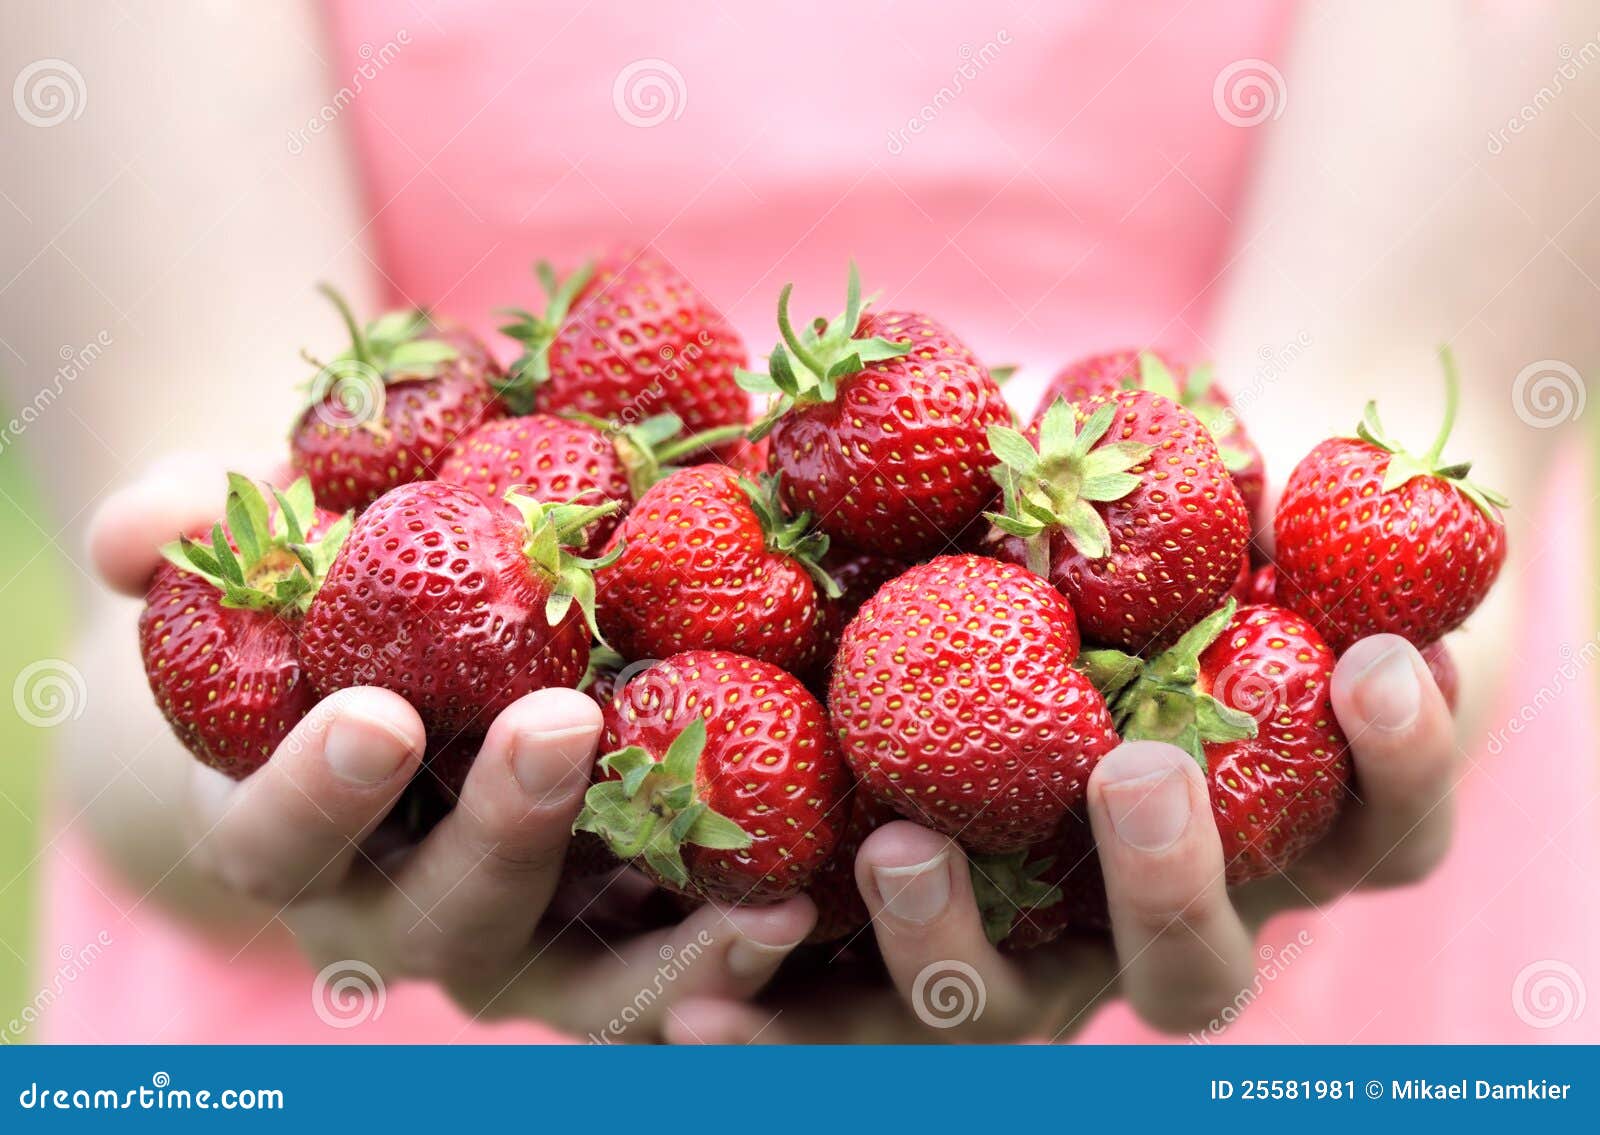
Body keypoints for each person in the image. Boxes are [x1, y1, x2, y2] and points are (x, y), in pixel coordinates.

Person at [7, 0, 1596, 1043]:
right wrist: (269, 778)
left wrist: (1305, 711)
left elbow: (1385, 420)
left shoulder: (1073, 533)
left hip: (1322, 993)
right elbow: (186, 525)